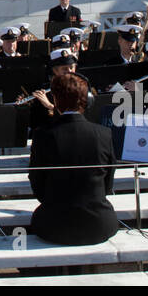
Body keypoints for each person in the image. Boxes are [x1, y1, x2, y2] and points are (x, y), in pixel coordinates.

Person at [28, 73, 117, 246]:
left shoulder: (42, 135)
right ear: (85, 100)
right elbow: (107, 183)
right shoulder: (103, 134)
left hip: (54, 225)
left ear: (55, 98)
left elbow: (37, 183)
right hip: (98, 224)